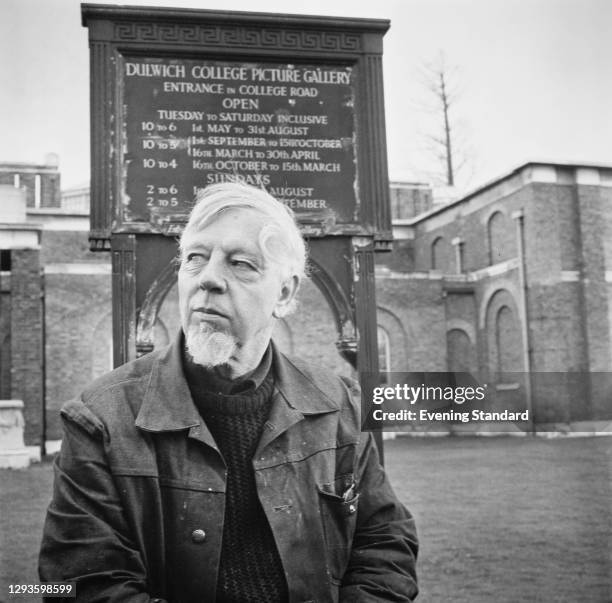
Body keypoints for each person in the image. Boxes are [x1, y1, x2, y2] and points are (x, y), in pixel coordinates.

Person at [39, 182, 418, 602]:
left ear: (286, 292)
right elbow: (83, 586)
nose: (208, 279)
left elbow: (385, 546)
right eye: (194, 259)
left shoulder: (340, 407)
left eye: (240, 263)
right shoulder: (100, 420)